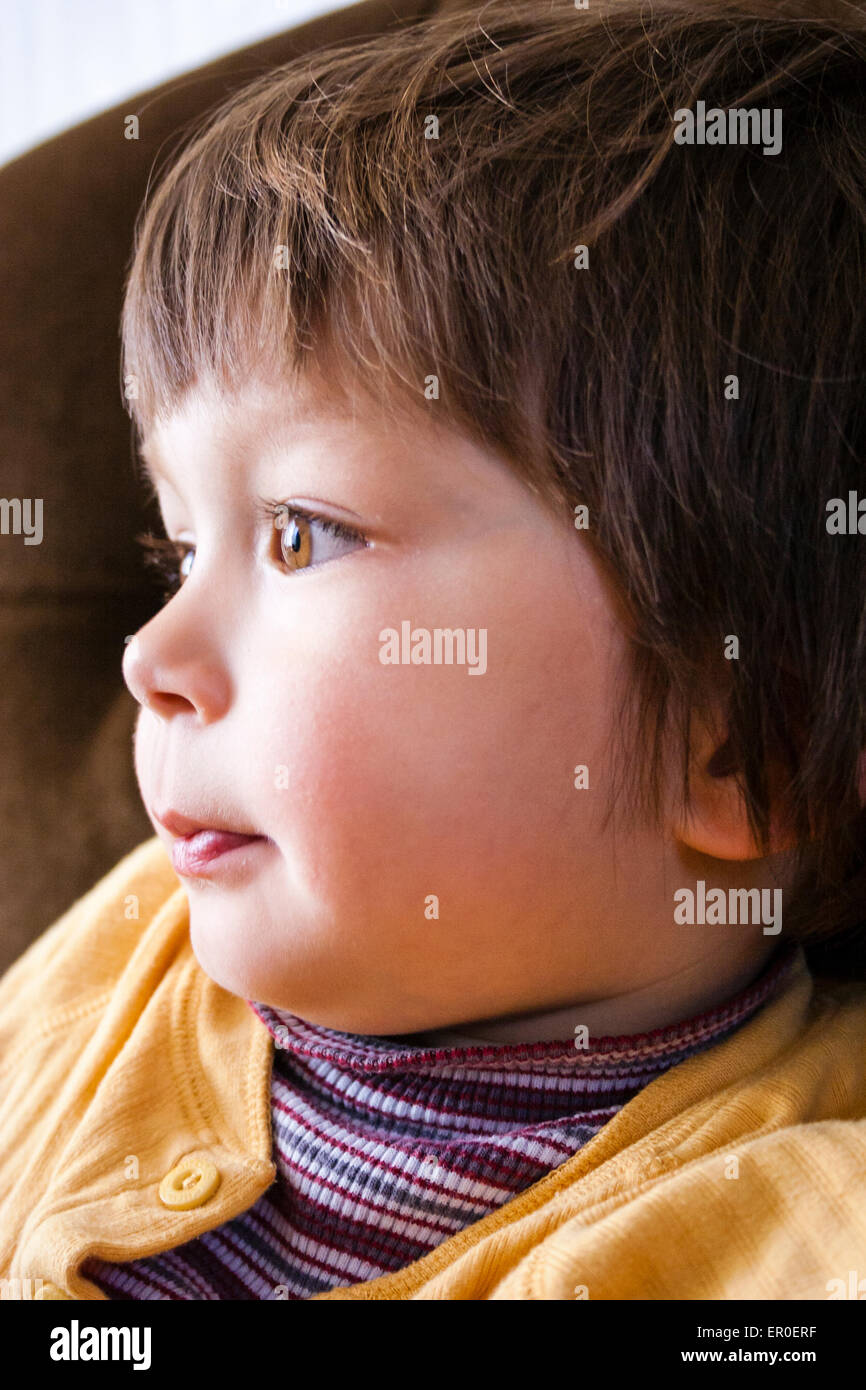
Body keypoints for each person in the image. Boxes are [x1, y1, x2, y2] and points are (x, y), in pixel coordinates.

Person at [1, 0, 865, 1301]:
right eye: (179, 552)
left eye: (302, 537)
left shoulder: (798, 1236)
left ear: (744, 745)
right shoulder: (115, 961)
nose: (154, 654)